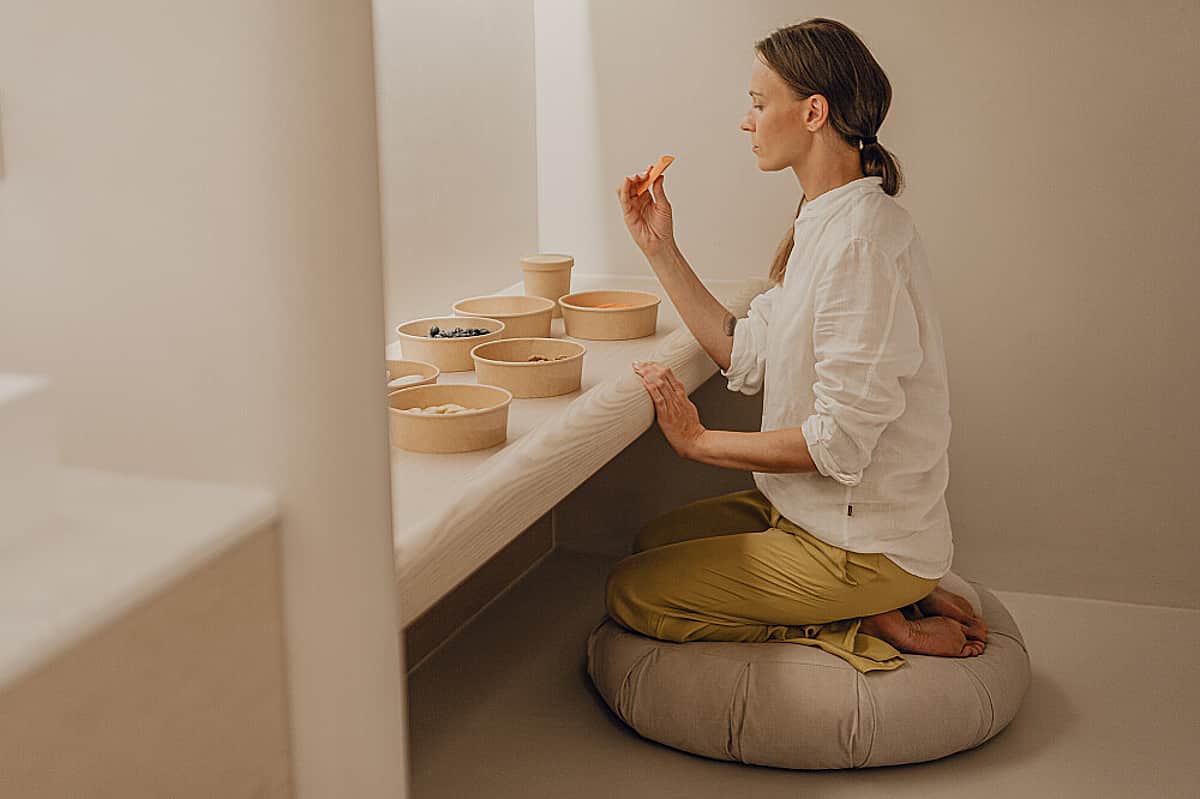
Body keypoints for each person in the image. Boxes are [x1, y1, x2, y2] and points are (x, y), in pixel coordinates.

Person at [607, 18, 987, 673]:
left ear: (814, 112)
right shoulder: (824, 219)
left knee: (633, 593)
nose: (746, 122)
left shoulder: (860, 243)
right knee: (650, 542)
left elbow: (838, 442)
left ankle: (863, 615)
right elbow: (747, 350)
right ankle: (876, 600)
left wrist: (700, 443)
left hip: (859, 543)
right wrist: (659, 248)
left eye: (758, 103)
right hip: (810, 516)